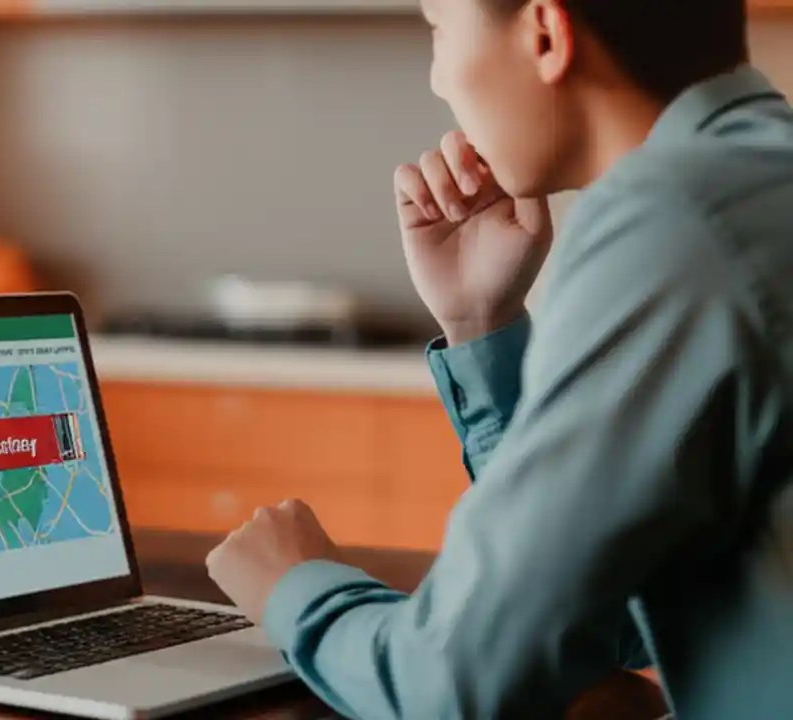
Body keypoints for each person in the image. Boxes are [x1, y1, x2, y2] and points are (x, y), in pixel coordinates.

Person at [204, 0, 793, 717]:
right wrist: (482, 322)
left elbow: (457, 687)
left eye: (438, 30)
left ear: (545, 33)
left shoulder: (675, 222)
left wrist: (295, 586)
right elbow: (615, 614)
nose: (438, 78)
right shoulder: (754, 179)